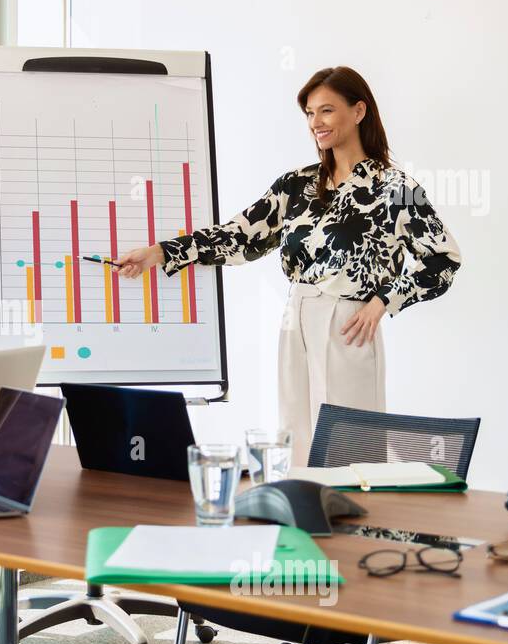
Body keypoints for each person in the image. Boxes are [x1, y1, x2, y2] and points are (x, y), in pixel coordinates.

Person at [116, 66, 462, 465]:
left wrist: (384, 301)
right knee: (295, 440)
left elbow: (443, 258)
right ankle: (302, 521)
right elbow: (240, 236)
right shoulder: (296, 184)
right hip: (296, 315)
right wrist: (159, 252)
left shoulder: (394, 188)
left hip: (348, 320)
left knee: (348, 451)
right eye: (310, 113)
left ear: (359, 111)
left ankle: (355, 523)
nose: (316, 123)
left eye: (327, 110)